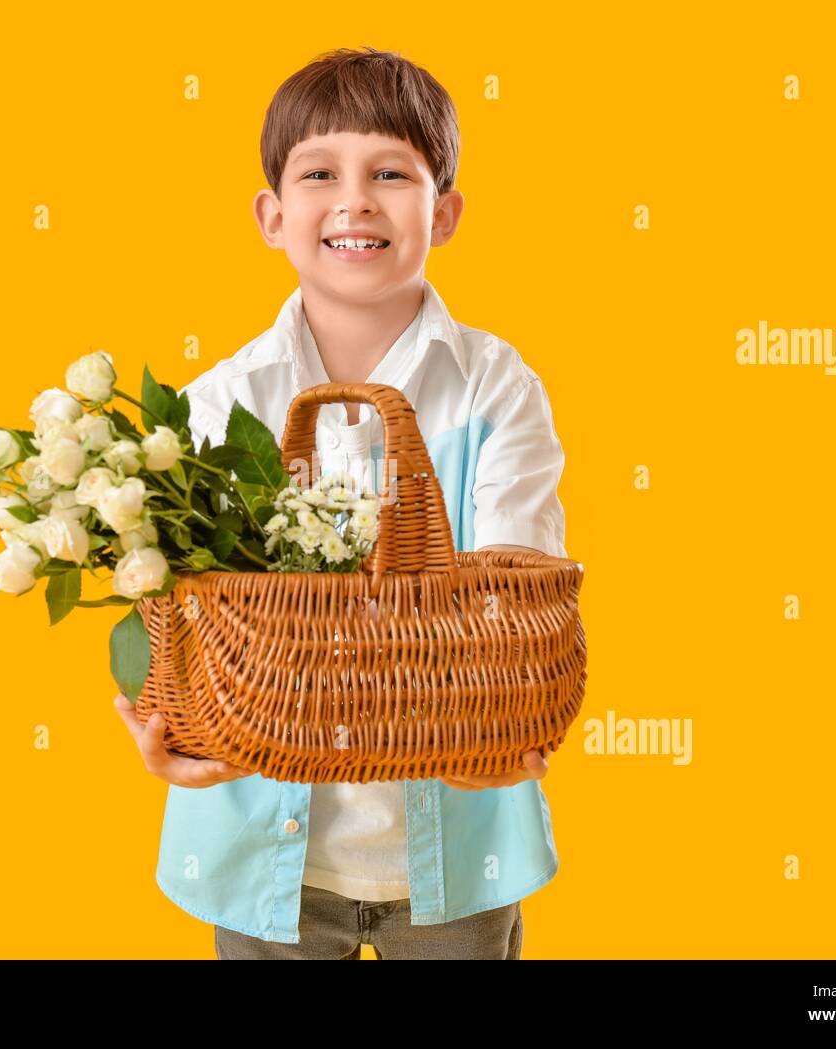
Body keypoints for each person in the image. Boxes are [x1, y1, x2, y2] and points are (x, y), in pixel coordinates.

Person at [115, 46, 569, 960]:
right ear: (272, 216)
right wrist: (160, 722)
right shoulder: (217, 403)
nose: (356, 200)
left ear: (442, 213)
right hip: (258, 840)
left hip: (460, 848)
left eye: (391, 173)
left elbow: (513, 596)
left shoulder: (495, 388)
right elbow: (182, 615)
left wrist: (506, 711)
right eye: (320, 172)